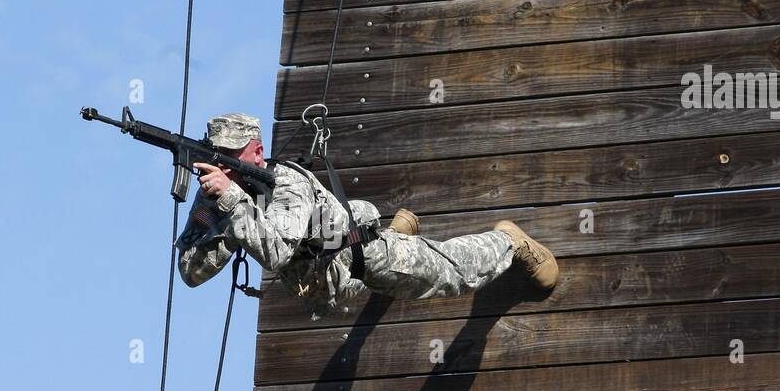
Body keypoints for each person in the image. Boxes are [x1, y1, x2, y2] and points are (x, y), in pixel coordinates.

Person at [175, 112, 559, 319]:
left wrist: (232, 203)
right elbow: (191, 272)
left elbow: (274, 252)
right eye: (218, 154)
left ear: (256, 151)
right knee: (346, 293)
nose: (223, 163)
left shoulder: (287, 181)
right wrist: (222, 215)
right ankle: (400, 231)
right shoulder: (222, 191)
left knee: (451, 274)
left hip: (364, 254)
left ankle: (509, 242)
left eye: (233, 153)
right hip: (327, 283)